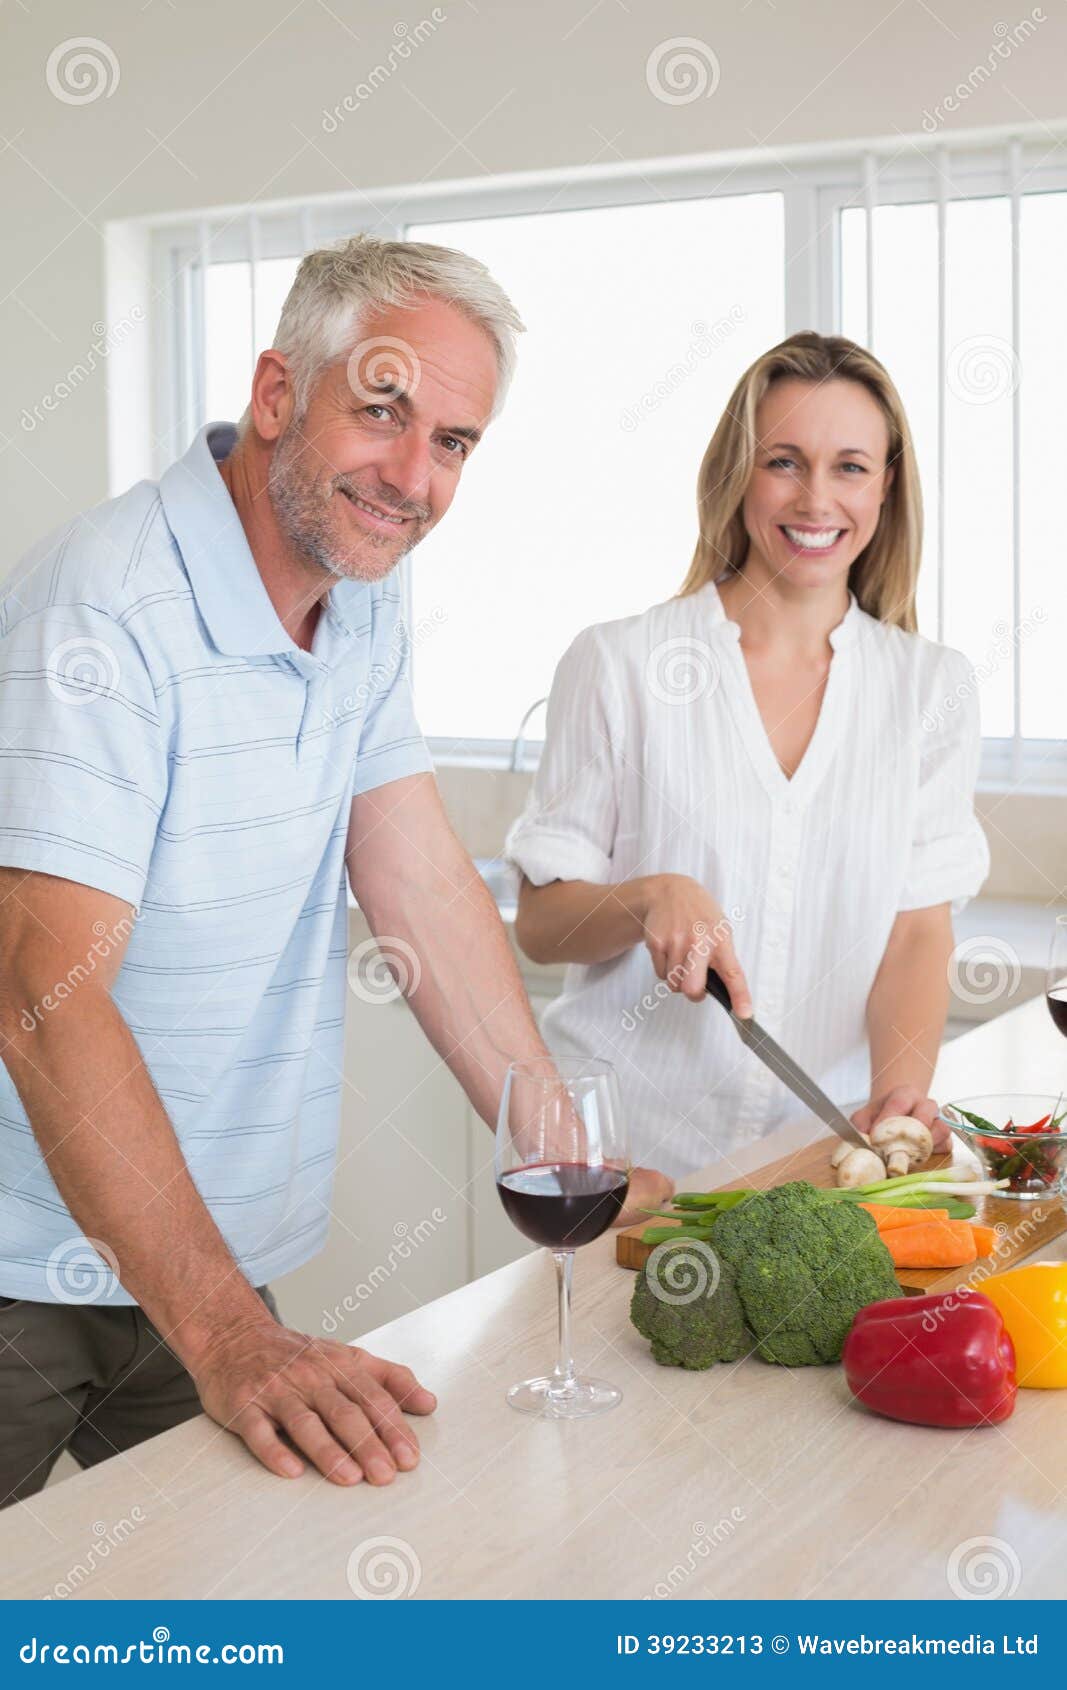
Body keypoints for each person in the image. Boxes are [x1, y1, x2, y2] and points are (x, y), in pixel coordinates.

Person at [0, 235, 673, 1508]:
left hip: (179, 1251)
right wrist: (230, 1336)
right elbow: (44, 1000)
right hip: (21, 1264)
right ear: (275, 396)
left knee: (226, 1601)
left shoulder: (362, 599)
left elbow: (414, 875)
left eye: (455, 442)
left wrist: (560, 1146)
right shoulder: (106, 612)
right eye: (382, 411)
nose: (413, 476)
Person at [508, 332, 990, 1181]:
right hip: (624, 1158)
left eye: (848, 466)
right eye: (783, 461)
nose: (814, 499)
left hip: (819, 1154)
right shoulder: (620, 664)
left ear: (885, 486)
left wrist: (899, 1104)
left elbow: (916, 931)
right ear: (738, 475)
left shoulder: (930, 690)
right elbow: (543, 928)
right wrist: (650, 898)